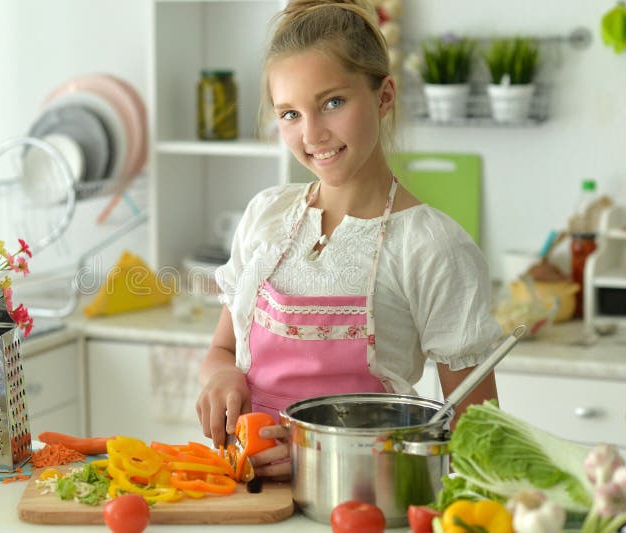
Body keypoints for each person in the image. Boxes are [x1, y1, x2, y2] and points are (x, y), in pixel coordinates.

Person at [196, 0, 501, 479]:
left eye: (332, 103)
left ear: (383, 97)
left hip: (365, 503)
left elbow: (478, 437)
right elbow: (220, 351)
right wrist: (220, 377)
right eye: (290, 114)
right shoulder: (266, 216)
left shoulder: (432, 245)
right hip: (251, 497)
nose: (312, 134)